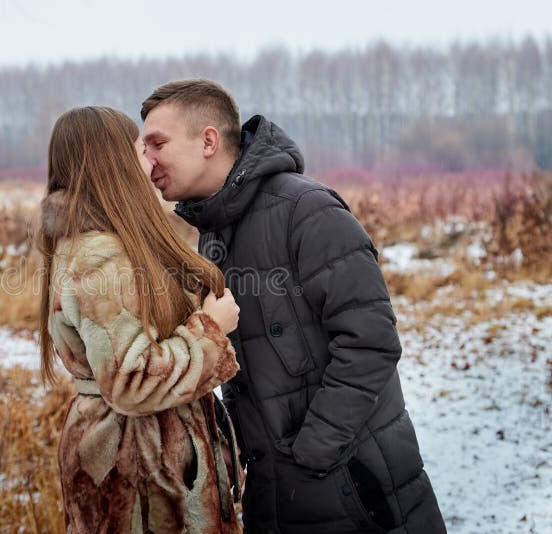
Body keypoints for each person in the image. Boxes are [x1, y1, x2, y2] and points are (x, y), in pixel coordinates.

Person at [141, 79, 446, 533]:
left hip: (354, 493)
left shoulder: (307, 210)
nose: (147, 160)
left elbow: (371, 342)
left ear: (207, 140)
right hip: (276, 498)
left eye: (157, 143)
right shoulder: (214, 233)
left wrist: (312, 454)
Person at [38, 106, 243, 533]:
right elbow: (131, 382)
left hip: (140, 457)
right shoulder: (100, 258)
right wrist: (210, 330)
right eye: (139, 149)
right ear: (112, 162)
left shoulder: (101, 244)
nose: (149, 160)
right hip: (137, 467)